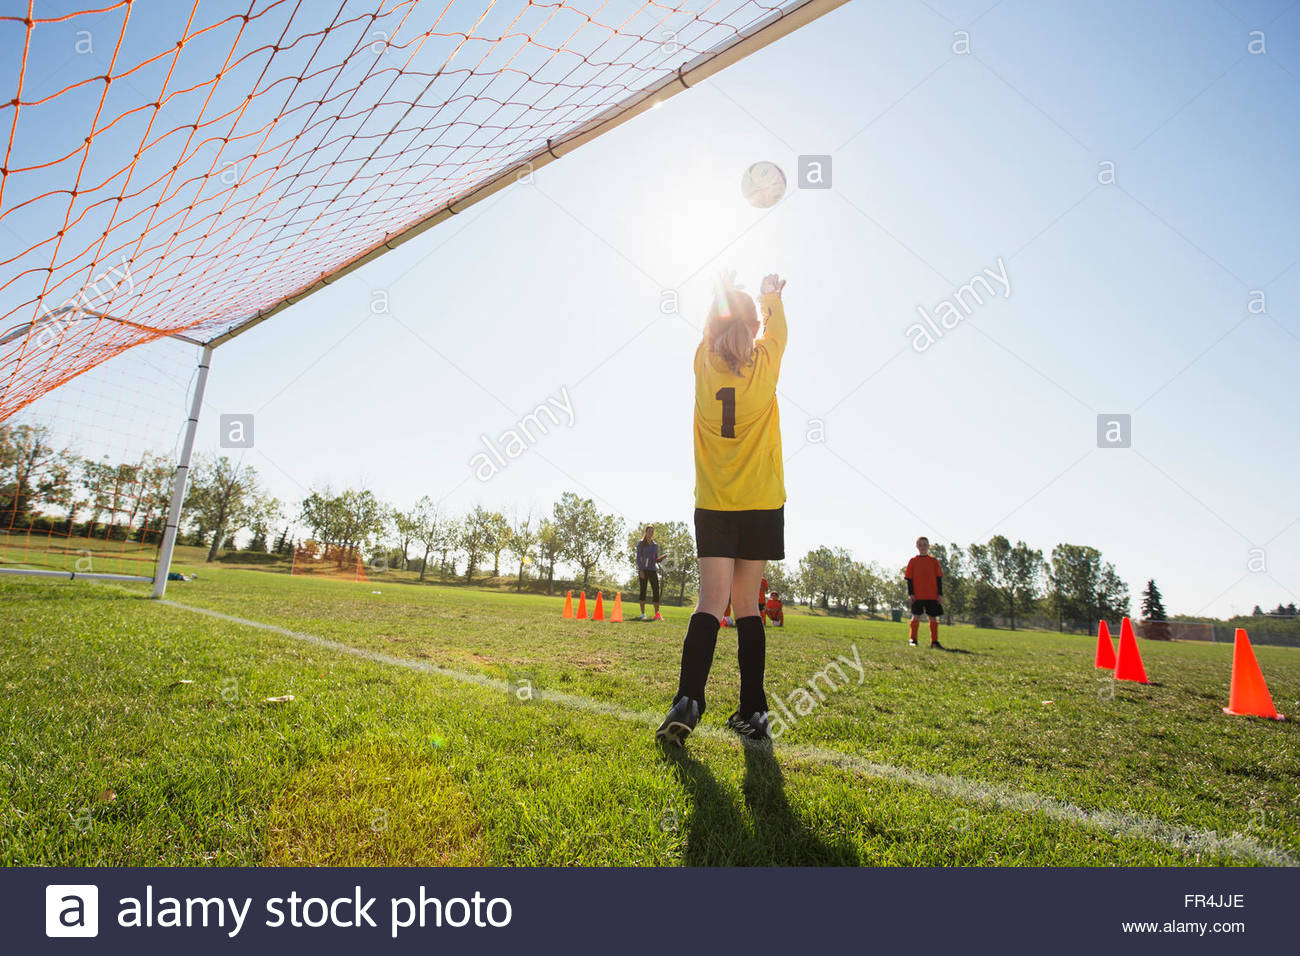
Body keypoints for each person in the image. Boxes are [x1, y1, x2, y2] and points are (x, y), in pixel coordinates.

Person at [656, 271, 788, 746]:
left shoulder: (703, 366)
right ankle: (753, 712)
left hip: (714, 504)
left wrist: (720, 292)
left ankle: (688, 700)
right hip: (761, 502)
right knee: (748, 604)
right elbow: (778, 330)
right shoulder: (767, 364)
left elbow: (712, 329)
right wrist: (770, 292)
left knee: (711, 603)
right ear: (755, 328)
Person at [904, 536, 944, 648]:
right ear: (917, 546)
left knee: (933, 618)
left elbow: (939, 578)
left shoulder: (934, 561)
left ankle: (934, 642)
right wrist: (910, 594)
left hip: (932, 595)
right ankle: (913, 639)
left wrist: (940, 594)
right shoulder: (913, 561)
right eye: (920, 545)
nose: (922, 547)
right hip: (917, 595)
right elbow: (909, 579)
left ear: (928, 546)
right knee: (915, 616)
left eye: (925, 544)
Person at [636, 524, 666, 621]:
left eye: (652, 531)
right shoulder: (641, 543)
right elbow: (638, 557)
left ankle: (657, 614)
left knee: (656, 590)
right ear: (646, 532)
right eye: (649, 531)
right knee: (643, 590)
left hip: (652, 570)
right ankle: (643, 614)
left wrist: (661, 558)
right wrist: (640, 570)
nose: (651, 533)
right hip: (643, 570)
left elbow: (655, 559)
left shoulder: (655, 545)